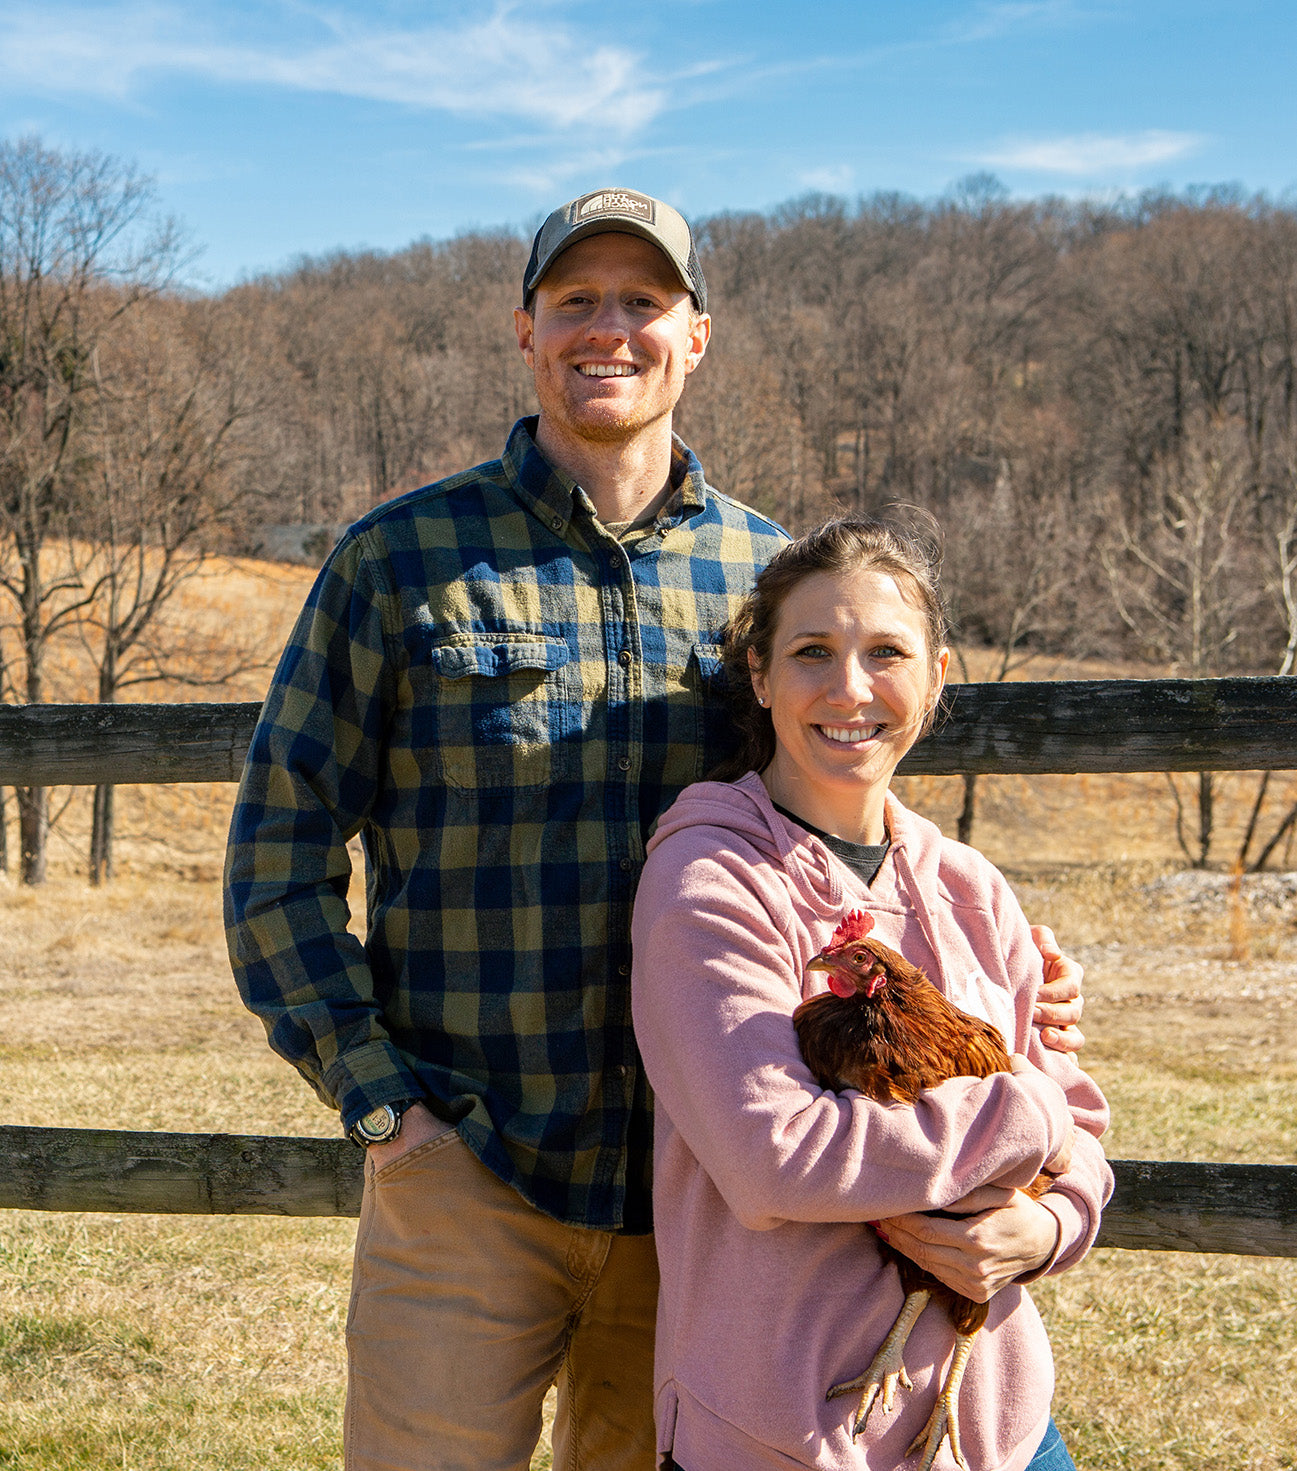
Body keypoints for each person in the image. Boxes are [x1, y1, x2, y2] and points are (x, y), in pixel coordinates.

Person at [224, 190, 1086, 1471]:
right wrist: (379, 1111)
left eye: (644, 302)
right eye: (575, 301)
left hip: (701, 1203)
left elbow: (841, 804)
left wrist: (988, 961)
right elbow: (277, 858)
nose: (607, 330)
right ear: (525, 329)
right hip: (470, 1165)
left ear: (697, 336)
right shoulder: (401, 561)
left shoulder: (770, 576)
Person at [631, 515, 1113, 1471]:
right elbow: (774, 1157)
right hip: (785, 1433)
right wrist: (1030, 1120)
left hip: (996, 1429)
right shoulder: (710, 882)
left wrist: (1047, 1225)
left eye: (885, 652)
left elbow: (1084, 1127)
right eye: (813, 651)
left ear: (934, 679)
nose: (850, 688)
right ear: (761, 678)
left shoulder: (971, 887)